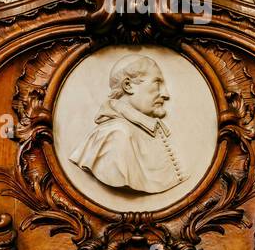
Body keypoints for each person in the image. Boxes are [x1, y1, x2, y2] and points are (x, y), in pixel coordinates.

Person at [69, 56, 186, 194]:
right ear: (128, 86)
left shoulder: (141, 130)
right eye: (157, 83)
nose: (165, 94)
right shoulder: (116, 135)